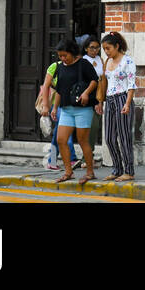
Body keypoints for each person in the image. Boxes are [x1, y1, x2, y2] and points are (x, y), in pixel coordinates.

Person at [49, 38, 98, 183]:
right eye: (60, 56)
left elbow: (94, 80)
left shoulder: (83, 64)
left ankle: (90, 172)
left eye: (65, 55)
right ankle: (68, 172)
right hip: (66, 109)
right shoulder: (61, 67)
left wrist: (86, 93)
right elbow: (59, 90)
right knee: (61, 139)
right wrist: (55, 107)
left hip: (83, 109)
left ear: (72, 53)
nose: (63, 58)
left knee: (83, 140)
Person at [97, 32, 138, 182]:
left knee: (124, 137)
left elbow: (132, 85)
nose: (106, 51)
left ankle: (129, 171)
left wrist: (127, 103)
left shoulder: (128, 61)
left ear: (117, 46)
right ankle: (117, 168)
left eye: (108, 48)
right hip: (110, 100)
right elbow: (103, 84)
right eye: (104, 49)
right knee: (109, 137)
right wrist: (100, 102)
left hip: (123, 99)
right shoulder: (107, 61)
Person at [36, 59, 81, 171]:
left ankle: (52, 161)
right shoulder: (55, 67)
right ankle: (72, 159)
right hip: (56, 105)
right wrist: (46, 106)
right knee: (66, 130)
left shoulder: (77, 67)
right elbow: (46, 86)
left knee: (58, 133)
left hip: (69, 104)